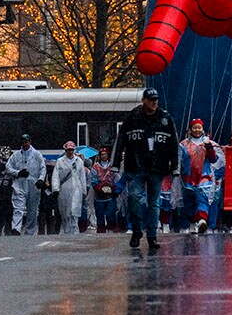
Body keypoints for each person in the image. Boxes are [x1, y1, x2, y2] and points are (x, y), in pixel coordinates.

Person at [112, 87, 180, 252]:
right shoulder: (132, 117)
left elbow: (174, 144)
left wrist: (175, 166)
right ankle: (136, 230)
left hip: (157, 166)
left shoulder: (165, 118)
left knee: (154, 203)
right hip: (136, 166)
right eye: (150, 100)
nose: (154, 102)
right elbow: (121, 140)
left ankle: (152, 236)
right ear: (143, 101)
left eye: (156, 99)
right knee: (134, 198)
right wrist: (115, 163)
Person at [178, 119, 223, 234]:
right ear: (190, 129)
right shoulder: (183, 145)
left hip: (204, 177)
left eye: (199, 127)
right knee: (189, 203)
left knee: (202, 199)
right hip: (187, 179)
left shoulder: (210, 143)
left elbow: (214, 160)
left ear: (202, 129)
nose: (197, 130)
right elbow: (178, 160)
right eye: (194, 127)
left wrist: (210, 150)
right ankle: (193, 222)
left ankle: (202, 220)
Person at [5, 133, 46, 236]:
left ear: (30, 142)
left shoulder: (37, 155)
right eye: (23, 142)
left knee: (33, 210)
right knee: (18, 208)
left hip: (33, 185)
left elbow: (42, 168)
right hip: (19, 185)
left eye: (26, 142)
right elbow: (8, 168)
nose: (25, 144)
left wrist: (41, 179)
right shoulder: (16, 155)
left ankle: (29, 232)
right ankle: (16, 229)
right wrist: (18, 173)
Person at [52, 141, 87, 234]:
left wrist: (84, 191)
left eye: (71, 150)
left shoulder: (79, 161)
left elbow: (82, 176)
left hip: (76, 188)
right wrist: (55, 188)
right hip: (64, 189)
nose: (70, 152)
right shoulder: (60, 161)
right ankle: (67, 231)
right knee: (65, 212)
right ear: (65, 150)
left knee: (74, 210)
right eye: (68, 150)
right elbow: (56, 176)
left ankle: (75, 230)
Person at [89, 146, 122, 233]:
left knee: (111, 215)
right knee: (100, 217)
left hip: (111, 195)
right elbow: (93, 180)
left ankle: (112, 232)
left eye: (105, 154)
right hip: (99, 195)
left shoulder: (112, 166)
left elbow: (116, 178)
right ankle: (101, 233)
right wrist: (100, 188)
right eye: (102, 154)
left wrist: (113, 189)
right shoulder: (95, 167)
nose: (103, 156)